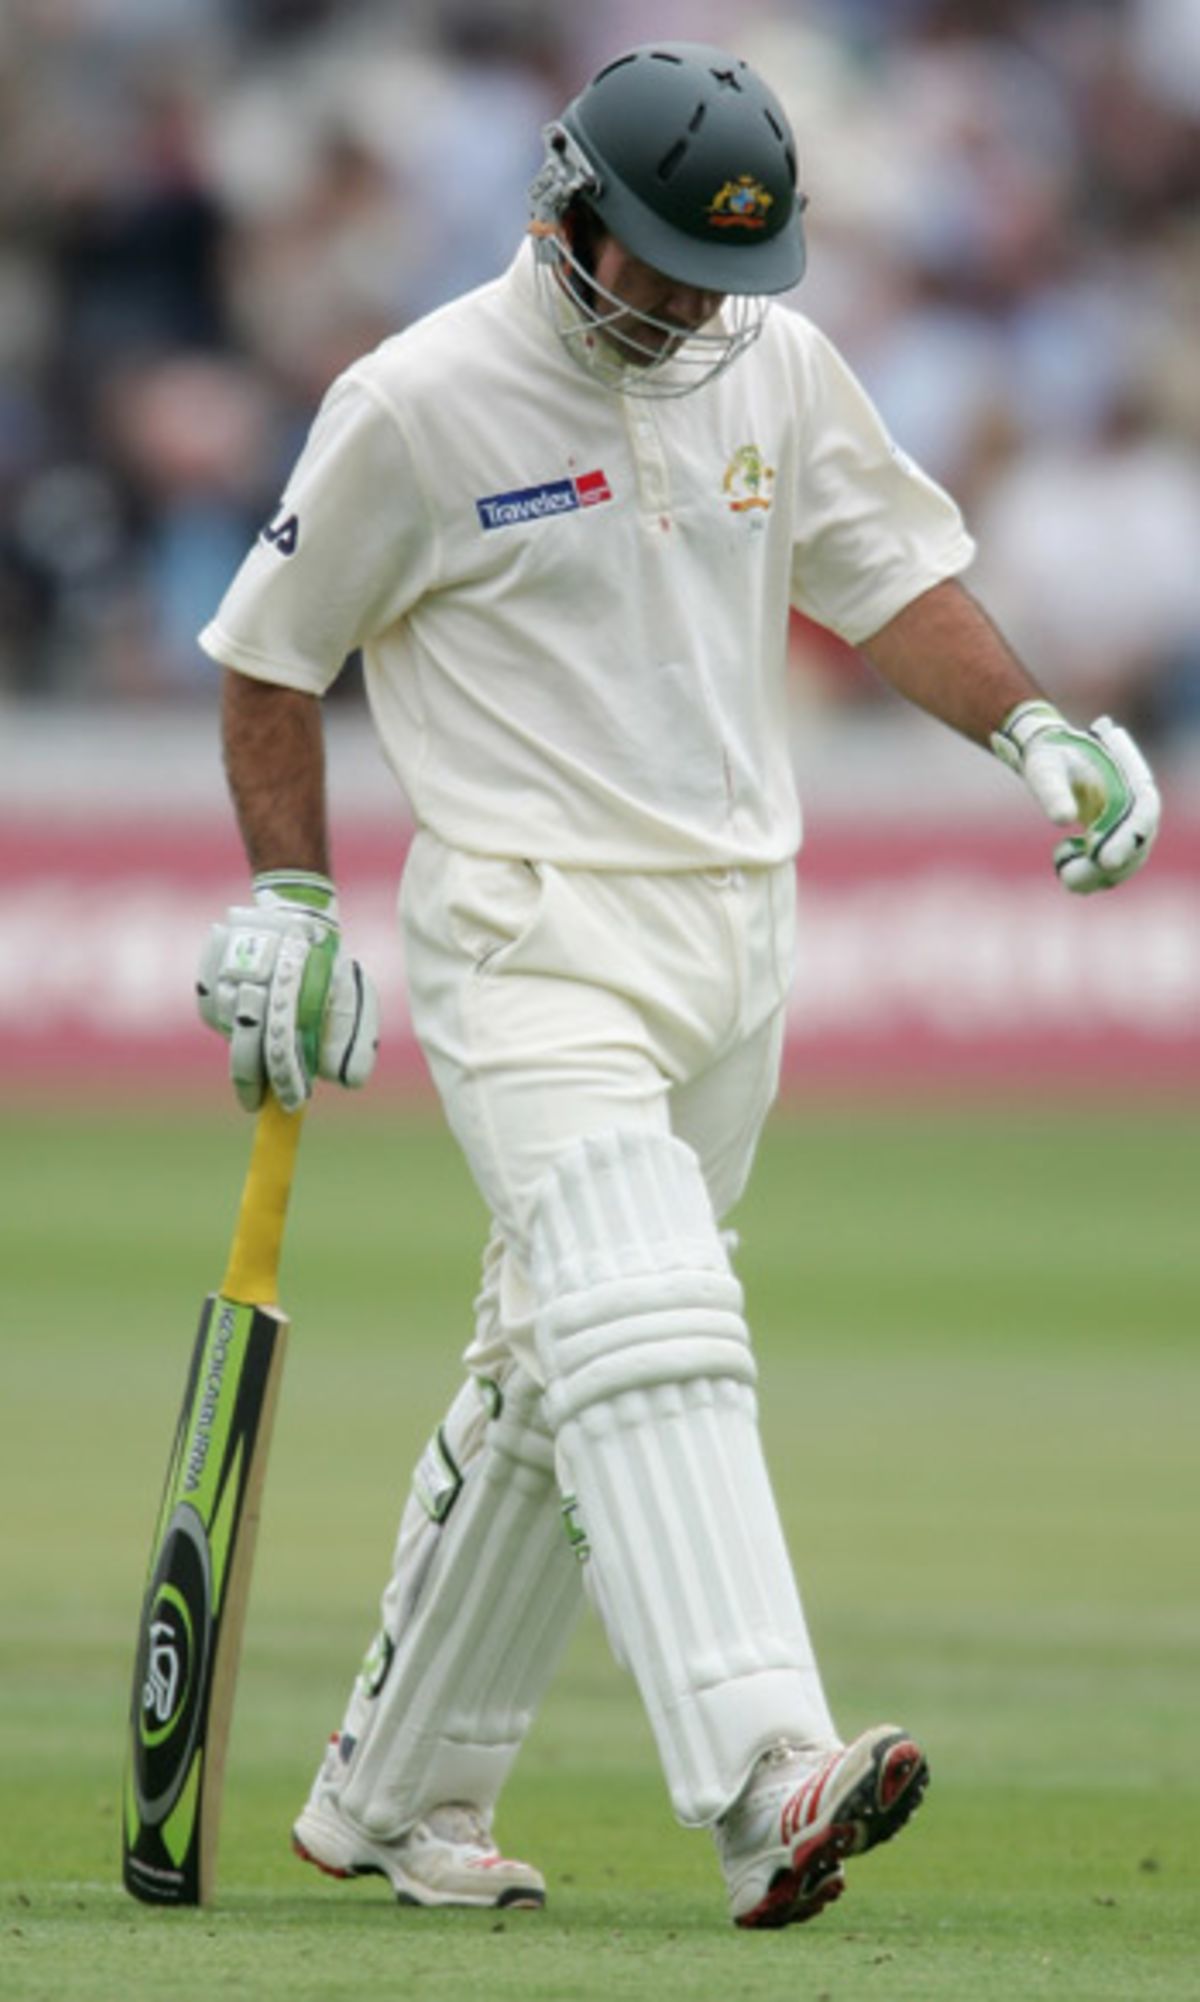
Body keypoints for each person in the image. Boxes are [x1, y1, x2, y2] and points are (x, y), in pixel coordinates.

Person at [194, 41, 1160, 1930]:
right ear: (563, 215)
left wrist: (1033, 724)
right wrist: (294, 899)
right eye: (658, 266)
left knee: (564, 1369)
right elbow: (269, 656)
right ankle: (764, 1771)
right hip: (531, 930)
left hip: (737, 931)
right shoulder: (416, 400)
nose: (694, 308)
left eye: (729, 272)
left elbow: (889, 575)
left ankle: (397, 1793)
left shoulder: (767, 363)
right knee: (651, 1319)